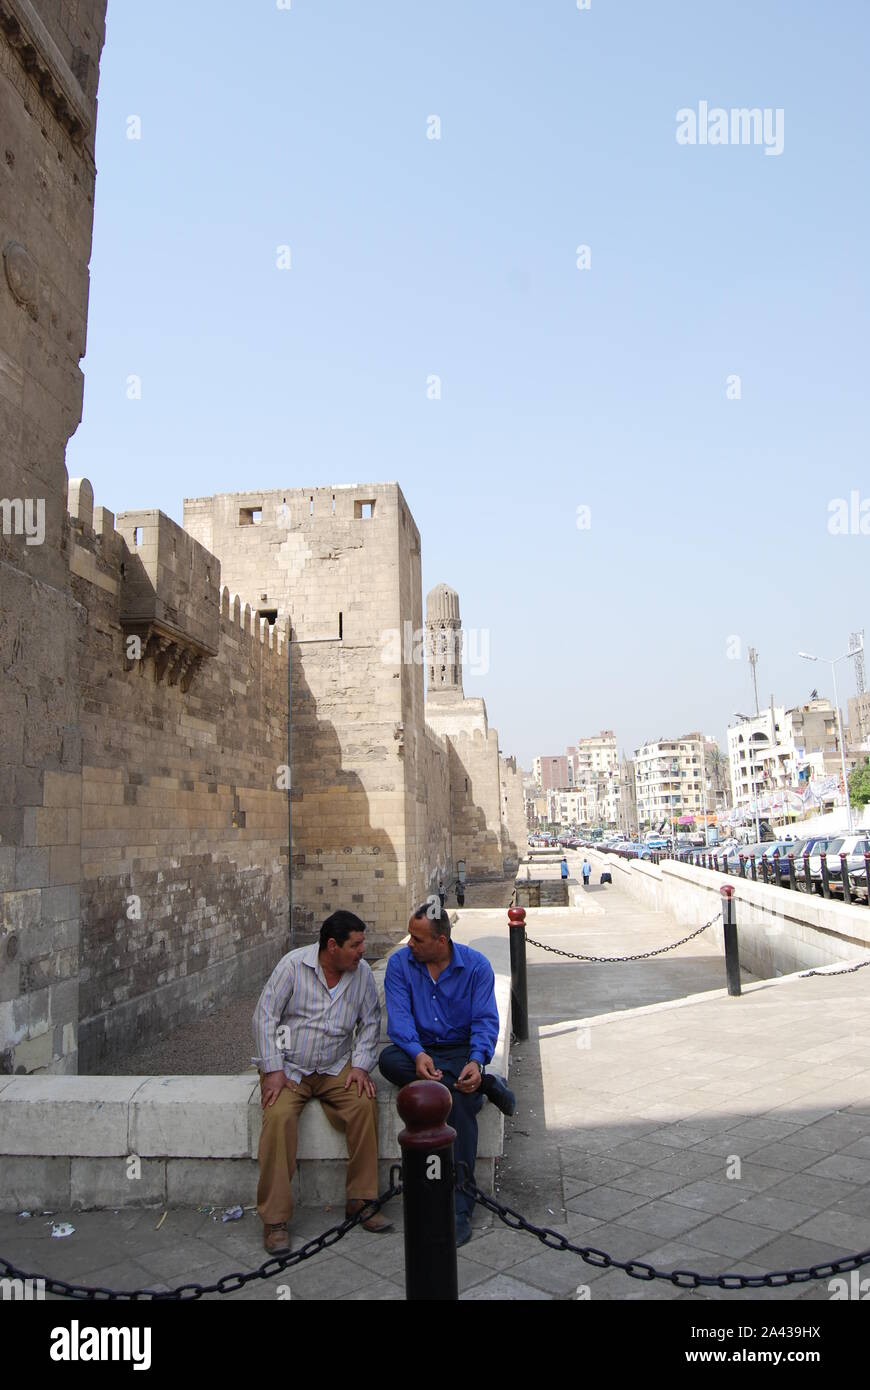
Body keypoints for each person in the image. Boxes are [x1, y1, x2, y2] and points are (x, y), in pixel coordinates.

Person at [252, 910, 393, 1254]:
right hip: (290, 1068)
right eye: (356, 944)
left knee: (363, 1106)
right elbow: (264, 1016)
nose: (363, 951)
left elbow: (371, 1022)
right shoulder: (292, 967)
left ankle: (361, 1200)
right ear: (332, 946)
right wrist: (272, 1070)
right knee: (279, 1116)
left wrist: (360, 1067)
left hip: (334, 1066)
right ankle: (275, 1220)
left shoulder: (360, 975)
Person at [378, 904, 515, 1247]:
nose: (409, 943)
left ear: (441, 941)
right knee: (388, 1061)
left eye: (417, 938)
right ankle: (483, 1084)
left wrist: (476, 1059)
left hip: (458, 1050)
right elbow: (399, 1020)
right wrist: (417, 1053)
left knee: (461, 1105)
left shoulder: (476, 967)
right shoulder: (399, 965)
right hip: (418, 1050)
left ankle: (460, 1208)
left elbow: (485, 1021)